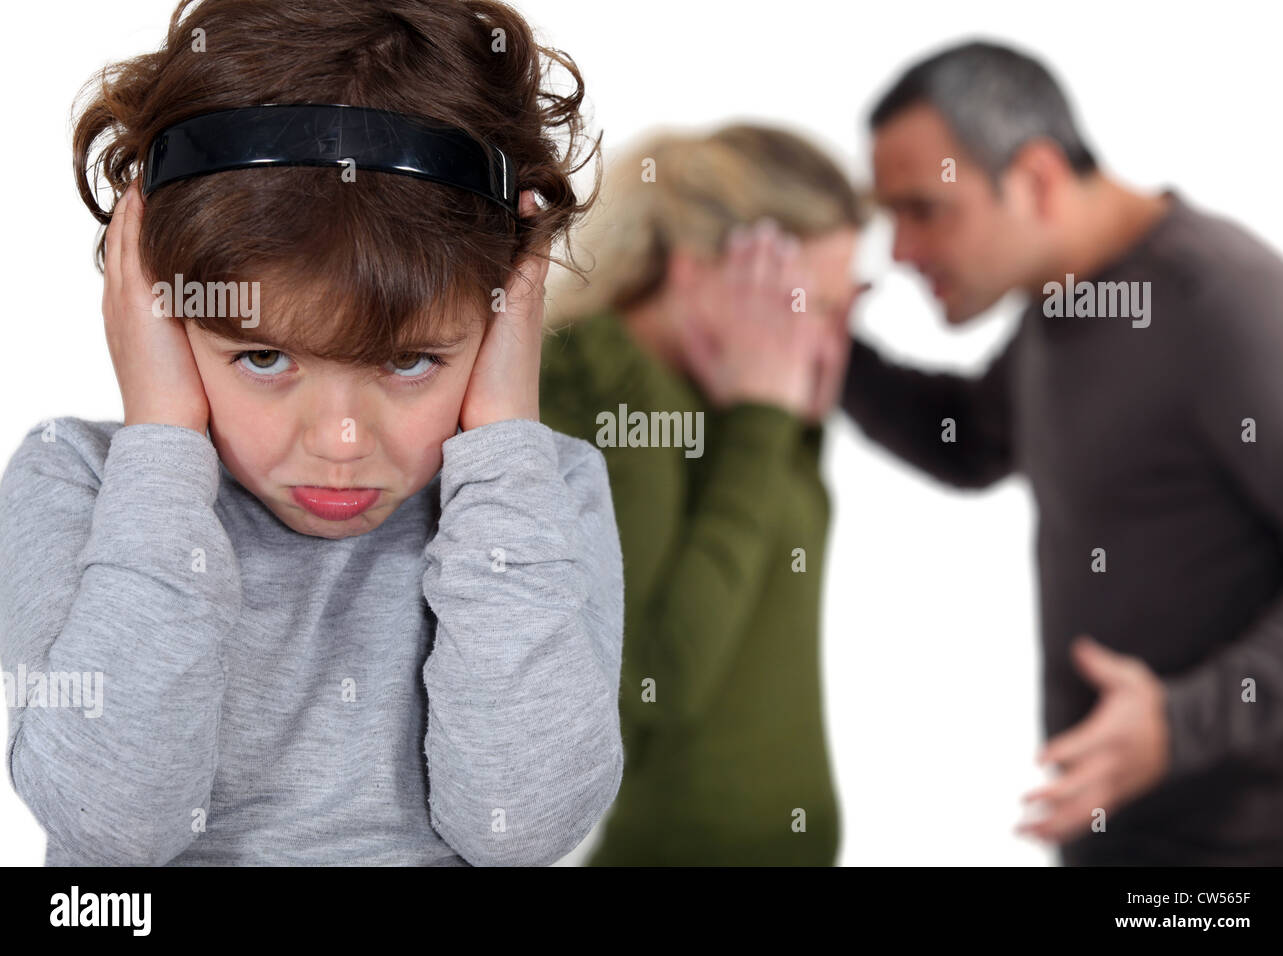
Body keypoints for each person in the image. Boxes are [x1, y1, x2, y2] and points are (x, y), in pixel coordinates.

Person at [0, 0, 623, 866]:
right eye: (262, 357)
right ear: (156, 309)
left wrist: (506, 439)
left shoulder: (538, 494)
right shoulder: (78, 482)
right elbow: (115, 826)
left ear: (506, 314)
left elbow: (521, 825)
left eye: (410, 363)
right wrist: (163, 446)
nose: (338, 439)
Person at [847, 40, 1283, 865]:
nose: (900, 252)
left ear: (1038, 180)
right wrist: (827, 349)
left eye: (923, 210)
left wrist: (1182, 723)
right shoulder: (1063, 301)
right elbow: (975, 441)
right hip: (1118, 842)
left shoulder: (1224, 307)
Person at [539, 124, 867, 864]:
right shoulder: (604, 386)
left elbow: (771, 569)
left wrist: (788, 418)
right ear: (694, 271)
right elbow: (658, 679)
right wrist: (762, 421)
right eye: (809, 305)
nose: (822, 342)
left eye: (845, 311)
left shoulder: (716, 394)